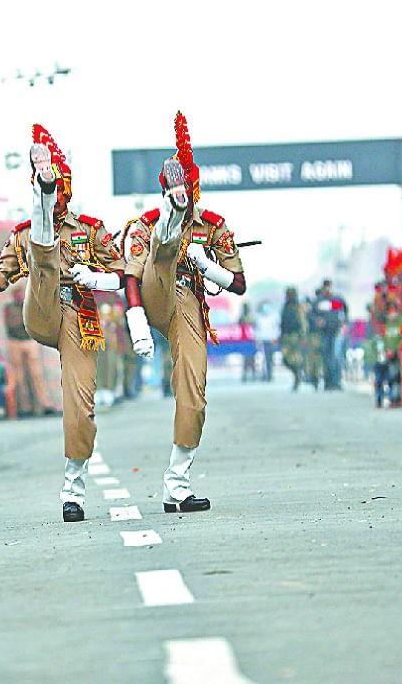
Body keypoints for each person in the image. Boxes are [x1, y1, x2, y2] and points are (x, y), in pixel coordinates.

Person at [0, 124, 126, 523]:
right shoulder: (23, 234)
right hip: (41, 307)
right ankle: (42, 200)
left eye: (54, 185)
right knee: (41, 252)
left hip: (79, 317)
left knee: (81, 407)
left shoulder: (90, 229)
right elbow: (4, 267)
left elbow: (122, 271)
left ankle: (73, 489)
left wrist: (99, 279)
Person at [119, 111, 246, 514]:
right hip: (156, 290)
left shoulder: (213, 226)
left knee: (194, 389)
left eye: (186, 191)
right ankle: (171, 228)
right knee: (162, 251)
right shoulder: (142, 226)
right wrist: (137, 323)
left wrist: (207, 266)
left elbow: (239, 284)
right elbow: (131, 277)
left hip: (188, 301)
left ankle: (177, 483)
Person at [4, 285, 57, 416]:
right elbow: (12, 324)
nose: (19, 295)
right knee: (19, 376)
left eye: (20, 293)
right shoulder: (9, 308)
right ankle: (25, 407)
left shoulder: (31, 304)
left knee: (36, 374)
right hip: (15, 341)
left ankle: (45, 404)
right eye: (17, 293)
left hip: (29, 340)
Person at [279, 287, 306, 391]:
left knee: (295, 359)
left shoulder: (298, 306)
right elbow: (282, 322)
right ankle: (297, 374)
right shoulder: (285, 306)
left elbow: (302, 321)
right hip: (286, 336)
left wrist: (302, 335)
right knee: (285, 360)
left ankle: (297, 378)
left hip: (295, 336)